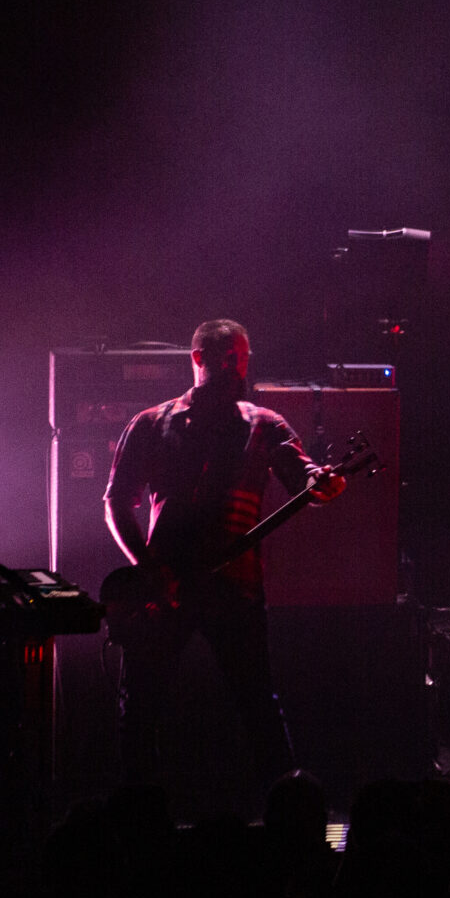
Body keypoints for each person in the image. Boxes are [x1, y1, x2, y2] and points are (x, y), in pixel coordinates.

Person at [103, 318, 344, 784]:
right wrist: (147, 568)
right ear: (198, 359)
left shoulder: (263, 424)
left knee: (257, 703)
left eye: (243, 358)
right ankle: (137, 816)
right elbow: (115, 500)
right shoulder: (152, 423)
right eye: (227, 357)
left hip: (235, 588)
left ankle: (287, 812)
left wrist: (321, 481)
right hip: (165, 586)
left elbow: (303, 472)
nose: (238, 367)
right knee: (141, 707)